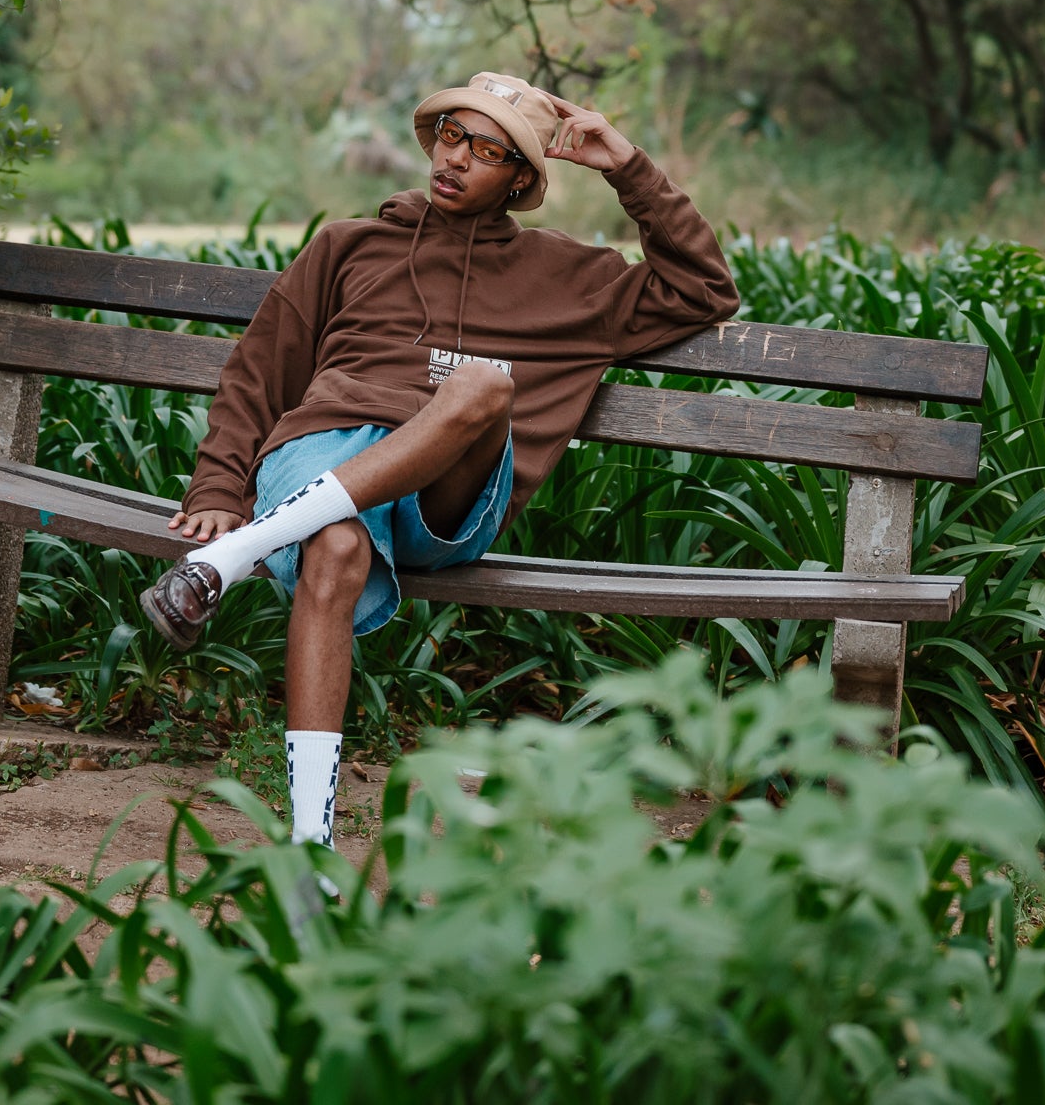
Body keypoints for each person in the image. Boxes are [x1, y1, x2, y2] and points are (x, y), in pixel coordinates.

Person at [137, 71, 739, 850]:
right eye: (451, 135)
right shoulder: (349, 246)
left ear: (520, 178)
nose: (455, 159)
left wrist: (625, 163)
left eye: (486, 150)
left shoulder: (573, 280)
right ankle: (309, 844)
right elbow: (262, 369)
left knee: (482, 383)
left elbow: (703, 290)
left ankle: (231, 559)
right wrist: (220, 482)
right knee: (336, 544)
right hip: (319, 455)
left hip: (448, 500)